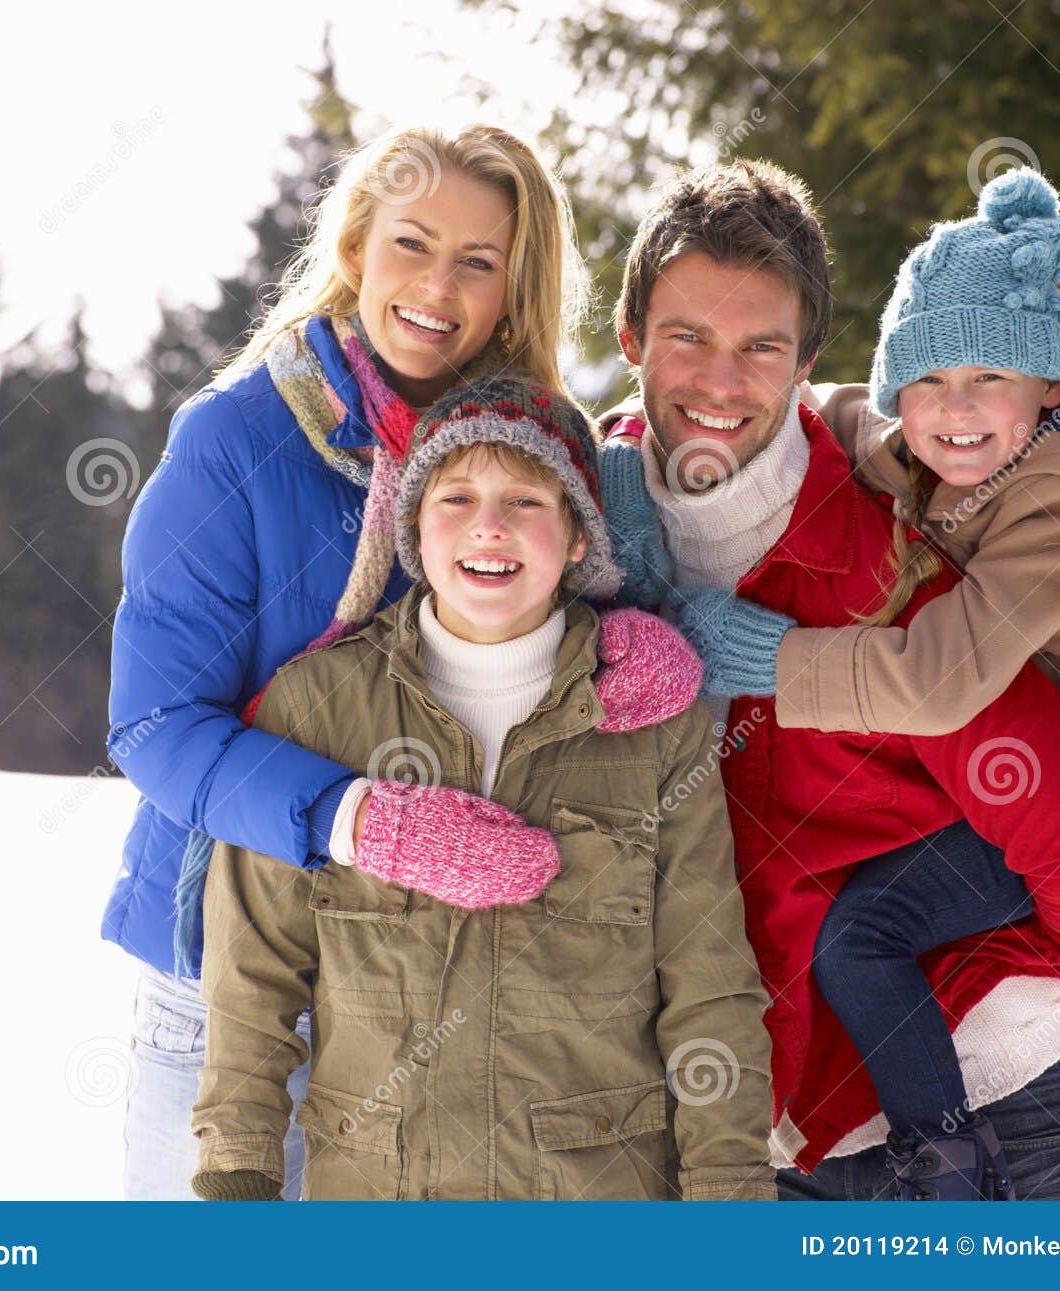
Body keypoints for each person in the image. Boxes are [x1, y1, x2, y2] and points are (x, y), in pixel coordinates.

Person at [599, 159, 1060, 1200]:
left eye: (760, 346)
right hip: (738, 1134)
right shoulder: (571, 529)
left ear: (805, 357)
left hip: (977, 1101)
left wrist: (992, 985)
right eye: (687, 337)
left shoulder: (885, 568)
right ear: (630, 338)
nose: (721, 382)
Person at [106, 124, 600, 1200]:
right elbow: (153, 727)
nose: (437, 286)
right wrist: (358, 818)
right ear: (356, 249)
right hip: (221, 977)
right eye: (412, 244)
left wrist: (626, 649)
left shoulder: (526, 455)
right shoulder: (235, 442)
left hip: (412, 995)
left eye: (479, 261)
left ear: (515, 289)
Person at [752, 168, 1060, 1197]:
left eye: (987, 379)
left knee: (859, 940)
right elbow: (838, 415)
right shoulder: (941, 450)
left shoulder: (1058, 498)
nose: (953, 409)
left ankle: (941, 1155)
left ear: (1051, 388)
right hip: (1017, 793)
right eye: (926, 383)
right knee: (891, 928)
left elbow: (938, 682)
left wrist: (752, 658)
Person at [189, 375, 776, 1201]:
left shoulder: (657, 734)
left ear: (577, 535)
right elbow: (252, 966)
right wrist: (237, 1162)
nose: (489, 526)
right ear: (415, 531)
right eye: (456, 496)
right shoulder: (316, 706)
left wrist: (731, 1190)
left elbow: (708, 984)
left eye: (527, 500)